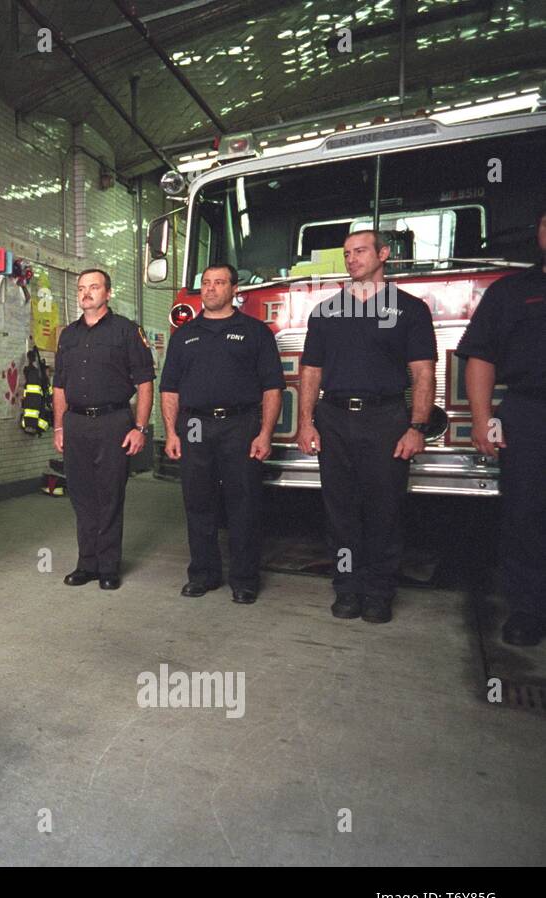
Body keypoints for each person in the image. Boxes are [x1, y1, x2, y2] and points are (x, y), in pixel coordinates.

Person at [297, 229, 437, 624]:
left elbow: (423, 372)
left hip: (386, 419)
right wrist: (306, 422)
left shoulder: (410, 309)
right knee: (340, 512)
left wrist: (418, 427)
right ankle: (346, 589)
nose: (352, 259)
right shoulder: (326, 311)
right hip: (335, 418)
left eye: (360, 251)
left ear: (383, 254)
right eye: (346, 254)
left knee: (384, 511)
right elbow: (311, 371)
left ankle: (379, 592)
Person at [160, 264, 284, 604]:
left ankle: (244, 579)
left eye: (219, 283)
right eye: (205, 283)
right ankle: (203, 573)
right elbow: (169, 389)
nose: (211, 289)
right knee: (198, 502)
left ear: (234, 290)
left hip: (239, 425)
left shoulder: (256, 332)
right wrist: (171, 432)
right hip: (195, 425)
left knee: (243, 503)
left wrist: (265, 434)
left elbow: (272, 388)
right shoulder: (185, 335)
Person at [456, 204, 546, 646]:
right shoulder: (511, 292)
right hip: (530, 412)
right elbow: (482, 357)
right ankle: (529, 610)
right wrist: (482, 420)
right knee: (524, 513)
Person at [52, 268, 155, 590]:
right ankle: (87, 563)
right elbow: (59, 387)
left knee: (110, 495)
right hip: (76, 423)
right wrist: (59, 427)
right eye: (82, 288)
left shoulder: (126, 331)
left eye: (93, 287)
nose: (86, 293)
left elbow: (145, 383)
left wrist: (140, 427)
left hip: (114, 422)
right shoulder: (68, 335)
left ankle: (109, 566)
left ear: (108, 293)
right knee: (82, 497)